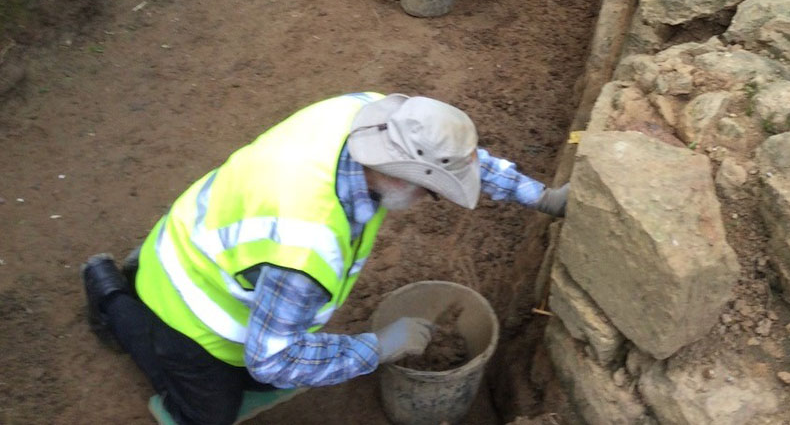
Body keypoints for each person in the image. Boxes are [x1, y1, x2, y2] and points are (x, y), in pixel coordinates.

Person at [80, 92, 568, 425]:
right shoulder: (307, 241)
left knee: (260, 365)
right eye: (432, 194)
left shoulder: (372, 116)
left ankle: (142, 274)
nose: (432, 200)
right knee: (211, 412)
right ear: (398, 179)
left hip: (208, 232)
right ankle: (112, 297)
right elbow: (275, 359)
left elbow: (454, 157)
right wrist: (376, 347)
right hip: (190, 299)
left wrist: (541, 197)